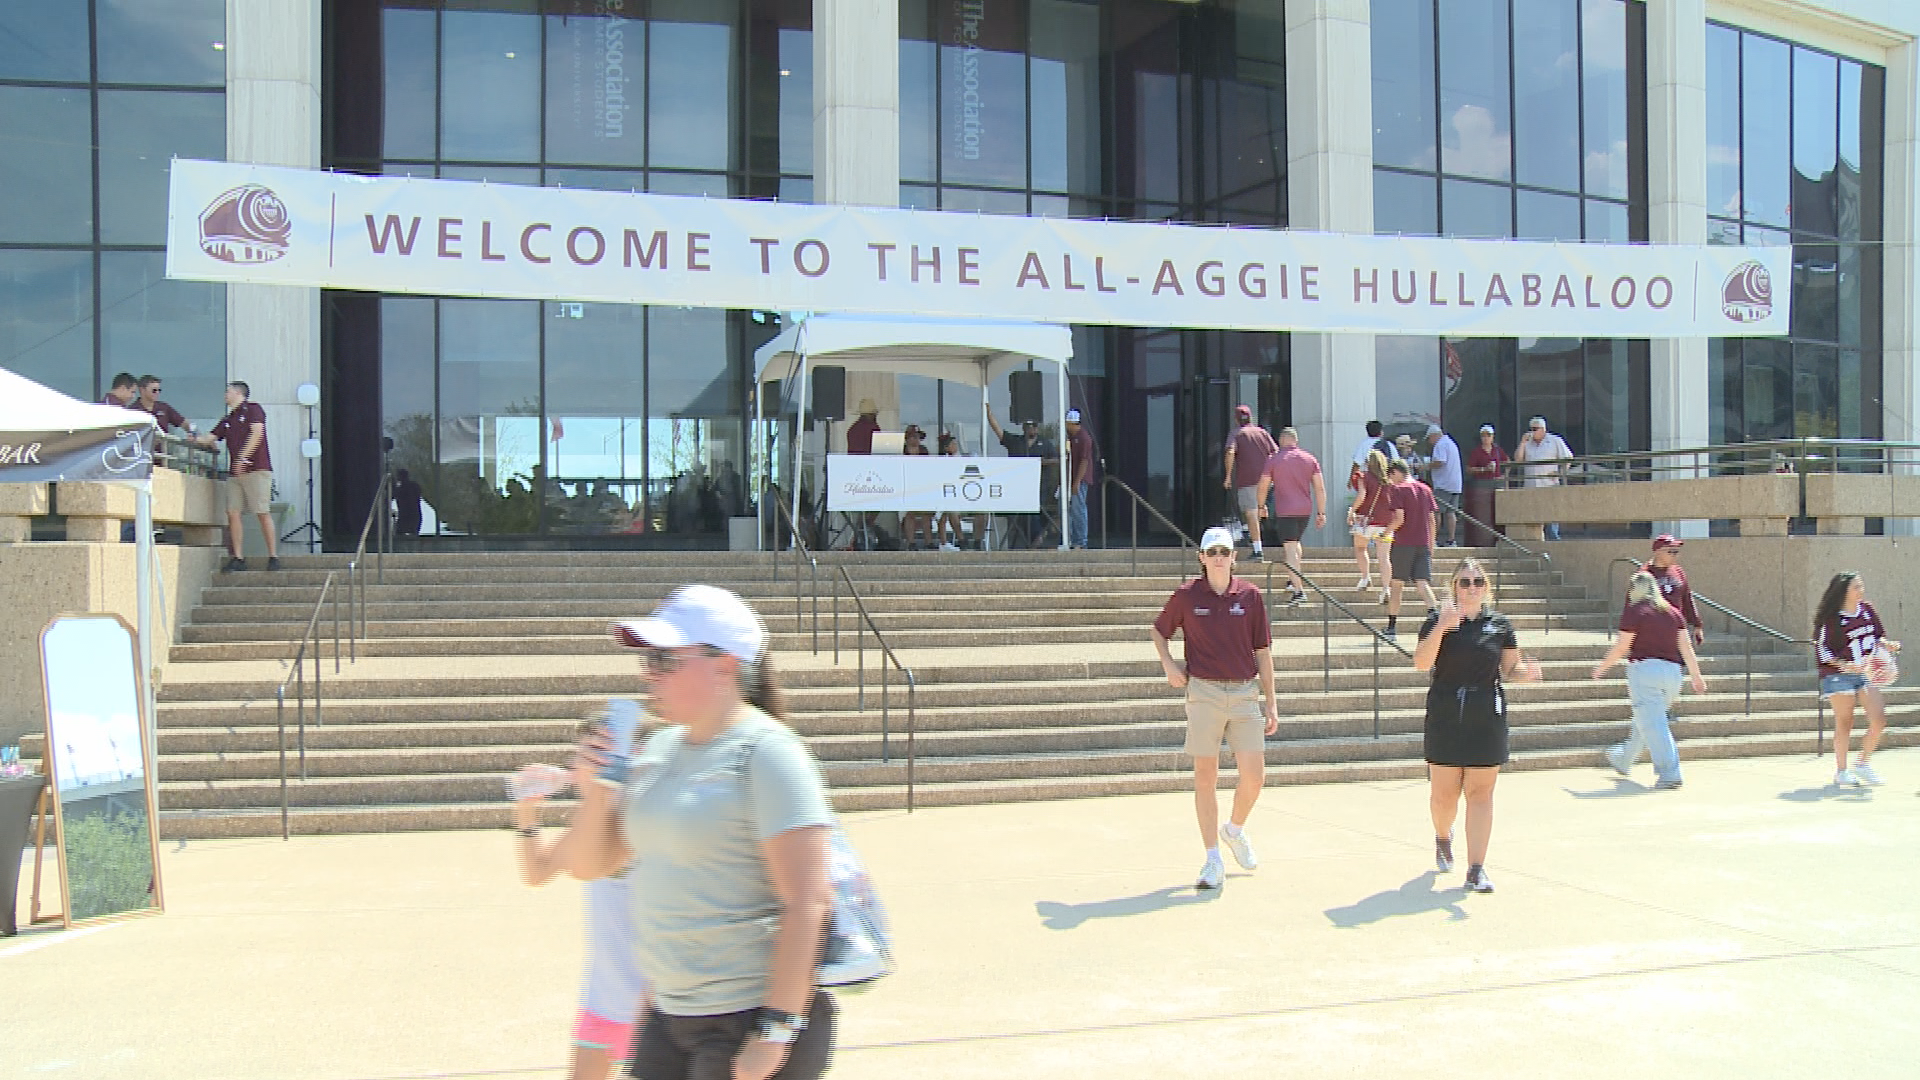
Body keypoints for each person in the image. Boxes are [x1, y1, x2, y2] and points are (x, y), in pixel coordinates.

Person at [552, 585, 839, 1080]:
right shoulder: (660, 751)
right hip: (669, 1015)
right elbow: (590, 866)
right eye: (647, 659)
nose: (649, 673)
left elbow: (809, 900)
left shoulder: (768, 752)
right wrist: (596, 789)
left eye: (665, 659)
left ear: (725, 666)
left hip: (746, 1016)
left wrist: (774, 1032)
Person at [510, 687, 655, 1080]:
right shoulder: (589, 824)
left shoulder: (643, 818)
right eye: (581, 754)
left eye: (594, 753)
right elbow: (538, 872)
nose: (579, 765)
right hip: (603, 1002)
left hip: (655, 1003)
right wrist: (527, 813)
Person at [1151, 527, 1280, 891]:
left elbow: (1263, 652)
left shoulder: (1251, 596)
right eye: (1212, 552)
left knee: (1254, 776)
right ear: (1202, 558)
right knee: (1205, 777)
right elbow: (1159, 631)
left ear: (1234, 556)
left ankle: (1234, 830)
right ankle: (1211, 859)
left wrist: (1271, 700)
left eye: (1225, 551)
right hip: (1203, 691)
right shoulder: (1187, 595)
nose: (1219, 557)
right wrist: (1169, 665)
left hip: (1244, 693)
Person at [1411, 558, 1542, 893]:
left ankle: (1476, 868)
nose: (1471, 588)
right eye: (1464, 582)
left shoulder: (1499, 625)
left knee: (1480, 794)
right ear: (1453, 587)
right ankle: (1443, 836)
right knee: (1444, 796)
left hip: (1486, 714)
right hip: (1445, 713)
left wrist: (1526, 675)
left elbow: (1510, 669)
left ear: (1487, 589)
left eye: (1478, 582)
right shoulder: (1435, 622)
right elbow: (1421, 662)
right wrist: (1443, 625)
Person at [1592, 571, 1708, 790]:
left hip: (1645, 671)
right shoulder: (1674, 613)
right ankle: (1624, 758)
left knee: (1654, 724)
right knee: (1647, 720)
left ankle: (1670, 773)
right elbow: (1686, 647)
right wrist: (1696, 676)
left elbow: (1622, 647)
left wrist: (1602, 667)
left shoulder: (1634, 612)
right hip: (1673, 673)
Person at [1813, 572, 1902, 787]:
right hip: (1838, 675)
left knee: (1879, 720)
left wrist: (1886, 645)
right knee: (1845, 722)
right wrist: (1843, 665)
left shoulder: (1867, 609)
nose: (1861, 590)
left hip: (1866, 672)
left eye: (1861, 585)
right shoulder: (1832, 618)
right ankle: (1841, 771)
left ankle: (1862, 764)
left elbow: (1876, 636)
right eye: (1856, 586)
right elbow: (1821, 647)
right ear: (1844, 591)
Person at [196, 381, 280, 571]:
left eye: (228, 391)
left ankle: (273, 556)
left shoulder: (253, 409)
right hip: (236, 474)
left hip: (256, 469)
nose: (225, 395)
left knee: (261, 511)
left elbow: (257, 433)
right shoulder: (228, 419)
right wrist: (195, 439)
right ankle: (238, 557)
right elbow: (210, 437)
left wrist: (242, 458)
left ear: (238, 392)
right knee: (233, 512)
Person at [1253, 426, 1327, 606]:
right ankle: (1292, 579)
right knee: (1295, 544)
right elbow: (1319, 488)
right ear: (1296, 440)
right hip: (1305, 510)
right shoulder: (1309, 459)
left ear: (1281, 441)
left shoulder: (1274, 459)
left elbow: (1263, 485)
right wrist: (1321, 512)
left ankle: (1299, 590)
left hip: (1285, 509)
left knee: (1290, 548)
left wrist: (1261, 506)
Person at [1383, 459, 1439, 640]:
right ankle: (1435, 614)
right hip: (1422, 542)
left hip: (1403, 543)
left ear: (1395, 472)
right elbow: (1432, 520)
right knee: (1422, 582)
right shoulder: (1426, 489)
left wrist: (1386, 532)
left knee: (1397, 584)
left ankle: (1391, 627)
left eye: (1391, 476)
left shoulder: (1399, 490)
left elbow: (1399, 518)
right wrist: (1431, 544)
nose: (1391, 481)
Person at [986, 406, 1055, 548]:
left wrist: (1041, 462)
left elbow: (1056, 460)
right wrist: (989, 414)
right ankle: (1030, 541)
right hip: (1017, 487)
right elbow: (998, 431)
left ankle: (1037, 539)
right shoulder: (1015, 442)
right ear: (1024, 428)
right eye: (1029, 426)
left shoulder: (1045, 443)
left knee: (1033, 511)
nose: (1032, 429)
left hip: (1039, 487)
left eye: (1034, 426)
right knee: (1018, 515)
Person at [1222, 405, 1278, 561]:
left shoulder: (1236, 433)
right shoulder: (1262, 433)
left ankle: (1257, 549)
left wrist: (1227, 476)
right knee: (1257, 511)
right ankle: (1253, 531)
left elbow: (1230, 452)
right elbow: (1275, 453)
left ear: (1236, 419)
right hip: (1266, 480)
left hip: (1248, 481)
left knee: (1251, 513)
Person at [1513, 417, 1573, 540]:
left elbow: (1568, 457)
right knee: (1534, 519)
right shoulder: (1528, 443)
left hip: (1549, 485)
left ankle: (1554, 543)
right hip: (1531, 486)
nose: (1533, 432)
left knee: (1551, 519)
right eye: (1531, 429)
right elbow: (1518, 460)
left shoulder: (1555, 440)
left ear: (1543, 429)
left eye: (1535, 429)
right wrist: (1523, 443)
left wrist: (1559, 473)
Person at [1641, 535, 1705, 646]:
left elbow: (1687, 598)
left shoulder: (1678, 571)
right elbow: (1635, 604)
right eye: (1670, 551)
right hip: (1654, 630)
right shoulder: (1645, 574)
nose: (1675, 555)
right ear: (1657, 552)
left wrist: (1697, 624)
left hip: (1677, 628)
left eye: (1676, 552)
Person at [1347, 449, 1394, 592]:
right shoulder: (1390, 481)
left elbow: (1362, 495)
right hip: (1385, 522)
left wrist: (1352, 510)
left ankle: (1365, 577)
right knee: (1384, 556)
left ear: (1368, 463)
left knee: (1361, 548)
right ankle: (1386, 588)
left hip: (1365, 520)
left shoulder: (1363, 476)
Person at [1064, 408, 1096, 550]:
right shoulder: (1071, 438)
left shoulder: (1084, 438)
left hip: (1079, 480)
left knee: (1079, 509)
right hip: (1071, 479)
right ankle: (1071, 538)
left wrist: (1077, 482)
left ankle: (1081, 541)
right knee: (1070, 510)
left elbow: (1084, 461)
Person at [1425, 424, 1463, 546]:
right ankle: (1452, 540)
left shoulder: (1440, 445)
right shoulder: (1451, 443)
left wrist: (1426, 466)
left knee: (1437, 512)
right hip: (1455, 484)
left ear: (1434, 435)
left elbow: (1440, 461)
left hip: (1443, 484)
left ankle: (1433, 539)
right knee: (1451, 513)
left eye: (1429, 438)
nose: (1429, 442)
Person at [900, 425, 934, 551]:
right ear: (907, 438)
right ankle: (911, 542)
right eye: (914, 437)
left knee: (926, 515)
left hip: (922, 486)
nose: (917, 440)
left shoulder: (924, 451)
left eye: (918, 437)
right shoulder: (901, 451)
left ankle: (929, 541)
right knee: (910, 514)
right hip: (906, 487)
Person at [1347, 419, 1400, 492]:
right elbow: (1396, 463)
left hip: (1369, 479)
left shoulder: (1364, 445)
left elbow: (1356, 464)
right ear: (1381, 432)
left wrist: (1351, 480)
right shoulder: (1389, 445)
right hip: (1386, 479)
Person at [393, 468, 424, 538]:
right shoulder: (415, 486)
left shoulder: (400, 489)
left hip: (405, 515)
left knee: (400, 536)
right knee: (413, 534)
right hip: (415, 515)